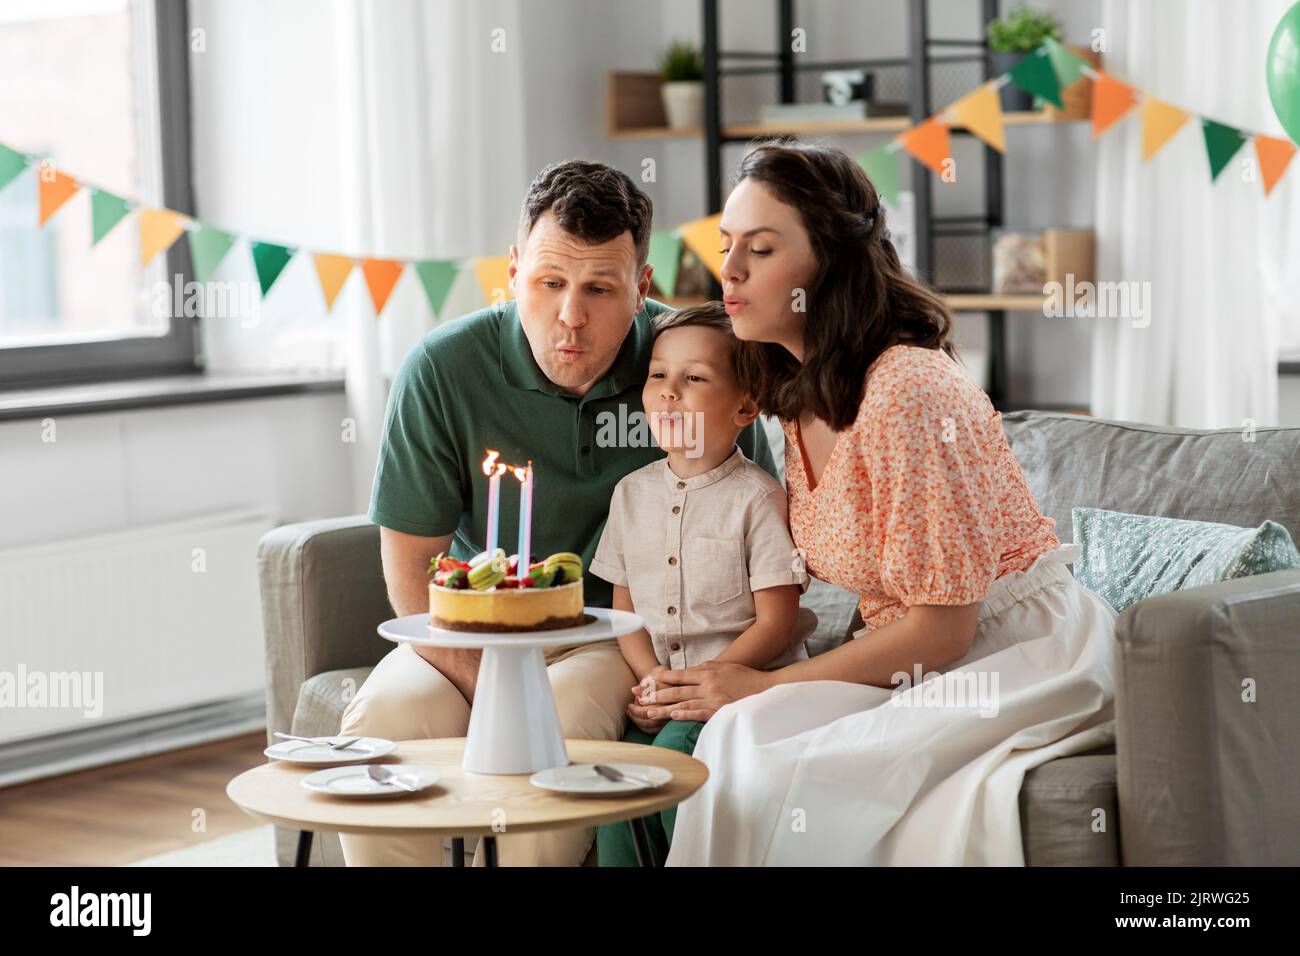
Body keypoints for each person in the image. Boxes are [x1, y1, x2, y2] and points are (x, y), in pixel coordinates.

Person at [644, 141, 1119, 866]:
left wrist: (752, 680)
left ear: (827, 264)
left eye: (761, 250)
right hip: (915, 656)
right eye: (726, 245)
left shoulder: (908, 389)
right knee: (739, 736)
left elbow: (942, 632)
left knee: (787, 769)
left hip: (1018, 649)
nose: (729, 271)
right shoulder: (791, 396)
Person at [337, 160, 778, 867]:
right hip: (467, 634)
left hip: (613, 635)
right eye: (549, 284)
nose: (571, 316)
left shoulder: (693, 365)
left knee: (560, 731)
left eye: (600, 289)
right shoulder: (443, 369)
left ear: (641, 289)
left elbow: (751, 529)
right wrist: (494, 685)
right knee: (387, 723)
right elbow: (410, 569)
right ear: (513, 273)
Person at [587, 301, 816, 866]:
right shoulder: (629, 494)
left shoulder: (758, 498)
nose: (668, 391)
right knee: (612, 785)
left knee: (670, 772)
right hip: (666, 692)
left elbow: (777, 620)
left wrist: (700, 685)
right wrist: (653, 683)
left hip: (741, 691)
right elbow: (624, 607)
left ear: (744, 405)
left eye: (693, 378)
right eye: (658, 375)